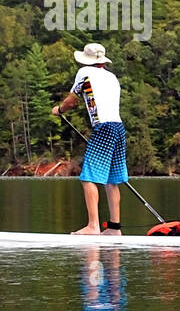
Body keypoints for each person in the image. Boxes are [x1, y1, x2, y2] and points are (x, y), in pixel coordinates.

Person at [52, 43, 127, 235]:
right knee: (112, 180)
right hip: (118, 127)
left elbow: (72, 100)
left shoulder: (84, 72)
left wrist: (59, 110)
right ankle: (114, 228)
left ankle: (93, 226)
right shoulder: (112, 77)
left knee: (88, 177)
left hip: (103, 127)